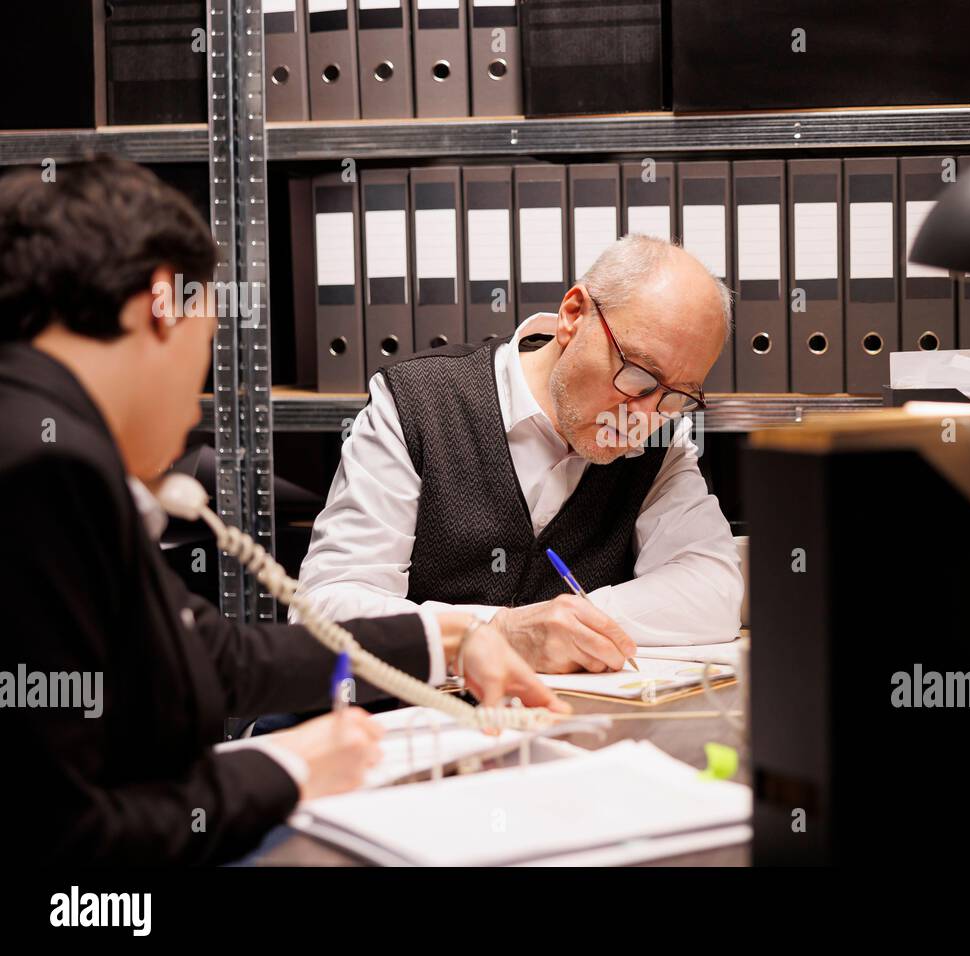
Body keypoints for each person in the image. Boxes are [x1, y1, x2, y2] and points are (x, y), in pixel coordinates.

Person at [0, 157, 566, 866]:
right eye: (207, 352)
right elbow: (63, 839)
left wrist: (445, 637)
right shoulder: (49, 470)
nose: (196, 401)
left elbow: (211, 656)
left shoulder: (43, 434)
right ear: (159, 307)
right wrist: (291, 768)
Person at [294, 235, 744, 673]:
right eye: (638, 374)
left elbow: (714, 591)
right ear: (573, 315)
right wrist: (499, 634)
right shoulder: (417, 402)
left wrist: (564, 624)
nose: (644, 416)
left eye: (677, 395)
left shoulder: (660, 440)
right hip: (406, 724)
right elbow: (326, 608)